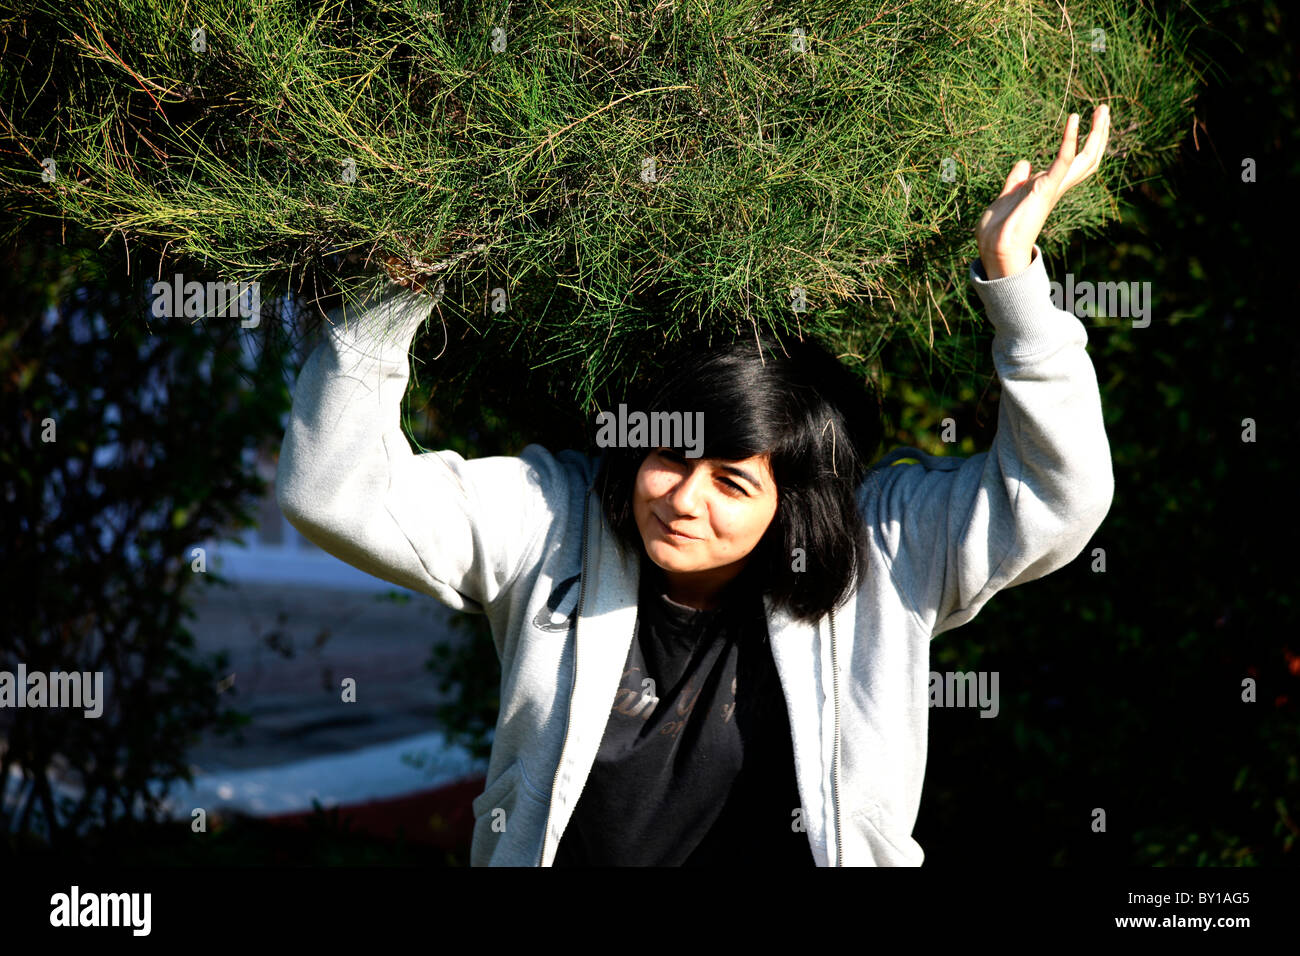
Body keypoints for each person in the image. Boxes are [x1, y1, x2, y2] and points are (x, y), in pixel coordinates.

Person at [276, 106, 1114, 866]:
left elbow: (1055, 498)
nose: (683, 499)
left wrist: (1017, 287)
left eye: (732, 482)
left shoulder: (886, 551)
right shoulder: (553, 520)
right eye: (671, 457)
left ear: (793, 499)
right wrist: (400, 288)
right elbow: (335, 491)